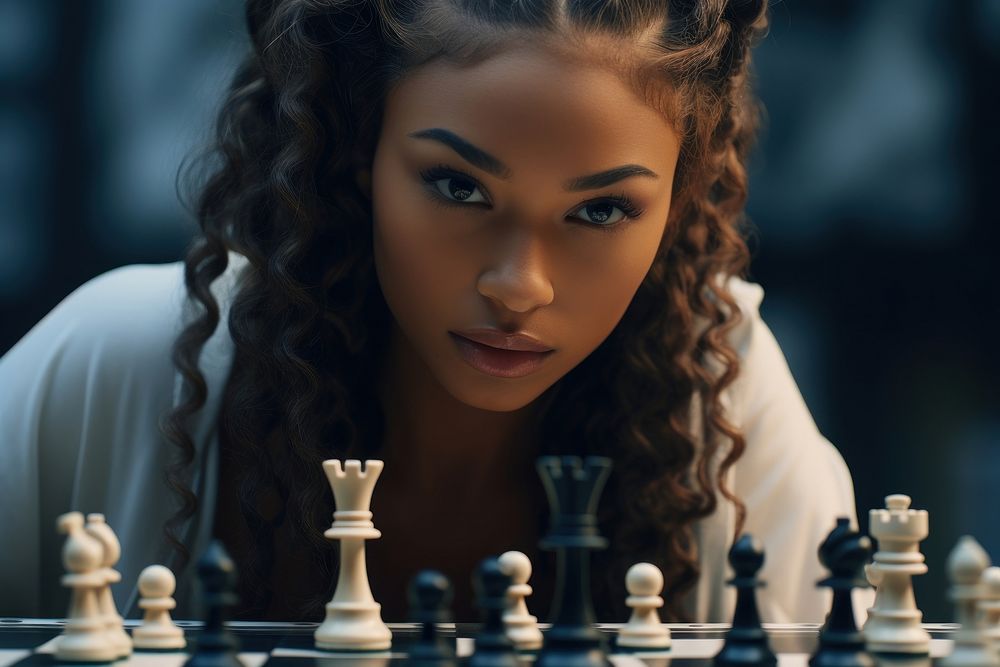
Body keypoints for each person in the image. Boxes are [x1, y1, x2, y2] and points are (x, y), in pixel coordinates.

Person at [0, 0, 865, 624]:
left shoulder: (715, 391)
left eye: (601, 210)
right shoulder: (124, 364)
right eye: (458, 187)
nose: (519, 285)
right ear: (358, 151)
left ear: (676, 199)